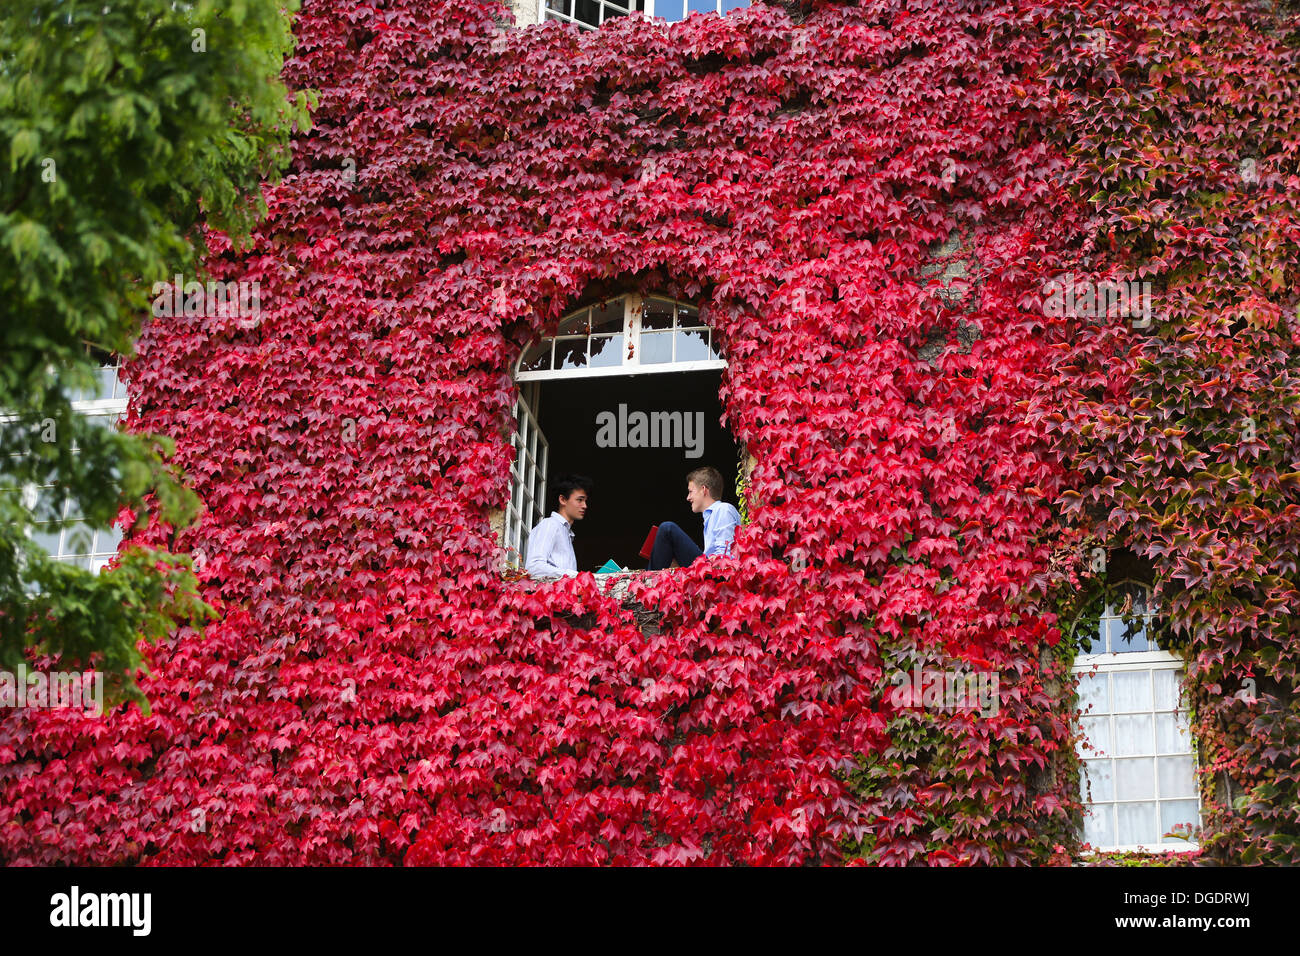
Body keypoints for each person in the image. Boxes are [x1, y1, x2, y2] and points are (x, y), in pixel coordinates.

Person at [647, 466, 740, 571]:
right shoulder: (711, 516)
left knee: (667, 529)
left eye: (690, 491)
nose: (688, 497)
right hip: (709, 569)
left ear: (703, 490)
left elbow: (725, 557)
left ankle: (648, 581)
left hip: (716, 573)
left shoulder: (723, 509)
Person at [525, 474, 592, 578]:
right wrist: (576, 576)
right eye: (580, 500)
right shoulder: (550, 524)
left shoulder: (566, 533)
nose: (584, 506)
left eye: (585, 501)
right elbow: (534, 567)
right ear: (563, 500)